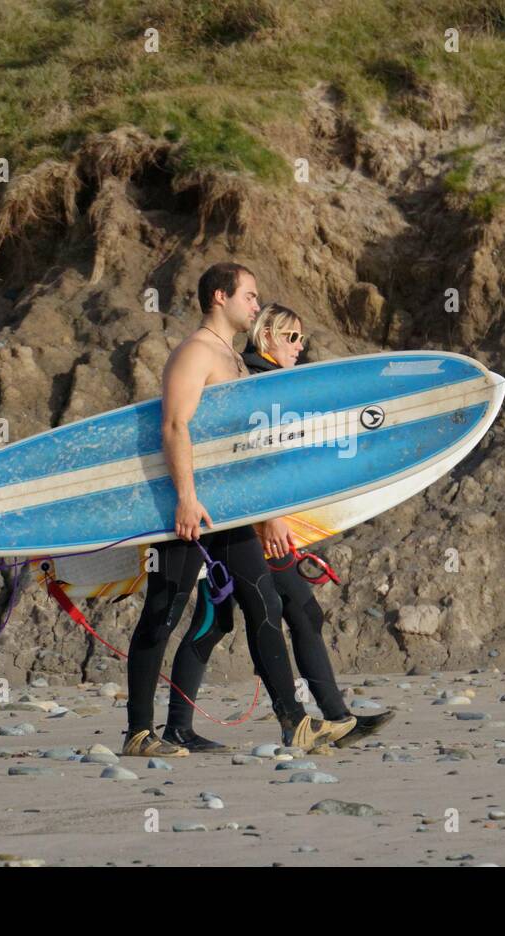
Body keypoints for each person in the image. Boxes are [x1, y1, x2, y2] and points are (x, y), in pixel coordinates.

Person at [121, 264, 357, 758]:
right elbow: (173, 426)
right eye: (250, 296)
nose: (256, 305)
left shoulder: (233, 359)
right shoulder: (195, 353)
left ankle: (294, 723)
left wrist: (265, 508)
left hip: (228, 510)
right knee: (163, 612)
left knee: (264, 605)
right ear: (220, 297)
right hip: (190, 509)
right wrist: (186, 497)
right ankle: (140, 733)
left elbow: (243, 447)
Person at [160, 304, 395, 754]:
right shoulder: (250, 378)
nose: (299, 346)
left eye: (301, 339)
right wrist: (268, 515)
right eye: (291, 337)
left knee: (299, 613)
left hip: (260, 522)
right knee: (214, 622)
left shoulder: (277, 383)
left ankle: (337, 718)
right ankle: (178, 726)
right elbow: (240, 456)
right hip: (235, 523)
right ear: (265, 336)